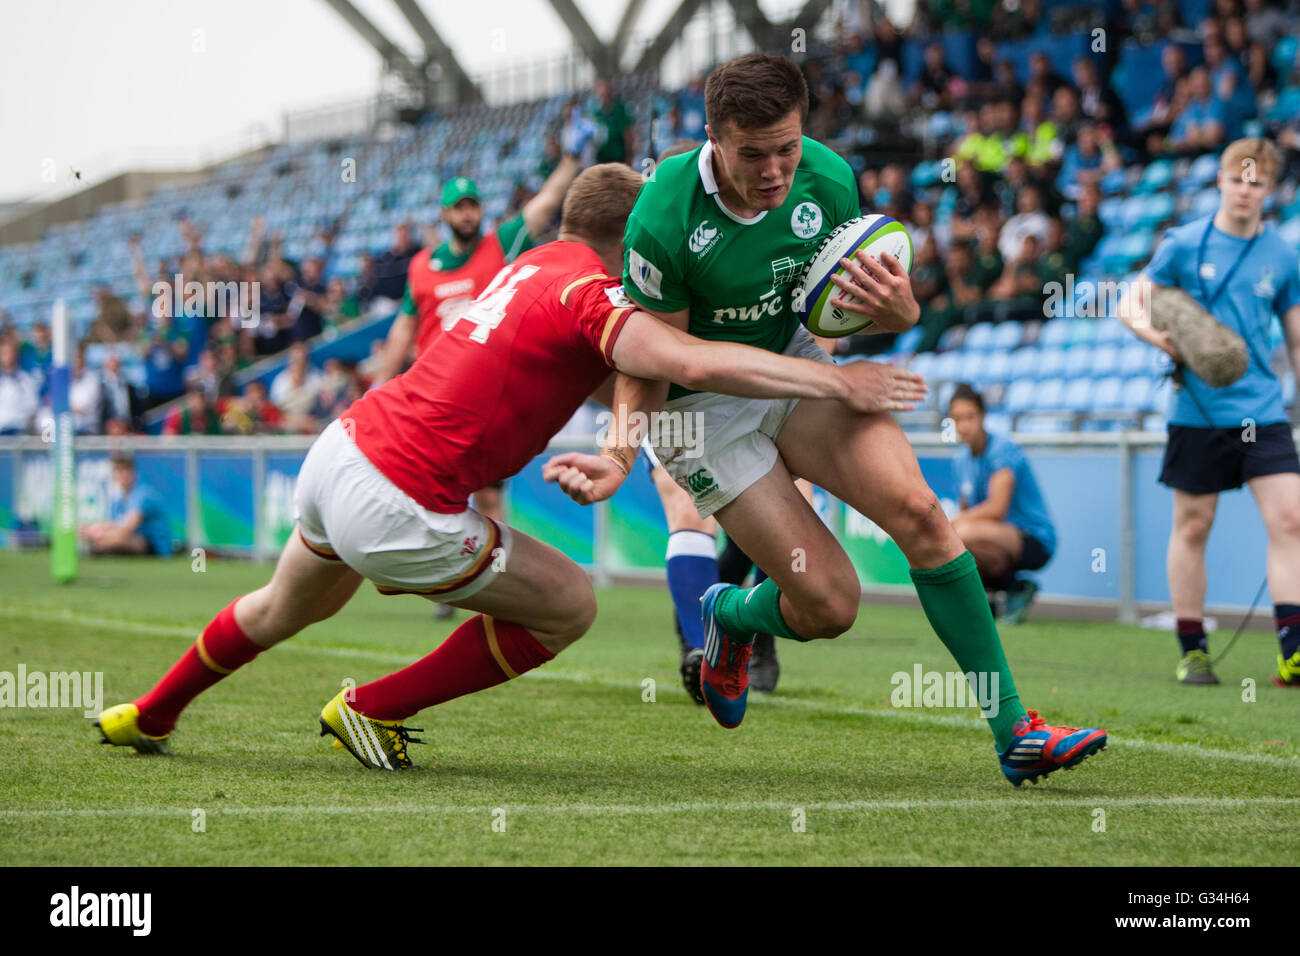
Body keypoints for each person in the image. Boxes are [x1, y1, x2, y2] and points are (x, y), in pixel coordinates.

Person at [93, 163, 923, 768]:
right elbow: (689, 362)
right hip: (398, 497)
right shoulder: (593, 291)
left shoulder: (524, 262)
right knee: (569, 605)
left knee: (277, 606)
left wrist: (625, 443)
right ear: (632, 239)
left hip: (342, 450)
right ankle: (368, 708)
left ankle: (152, 713)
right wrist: (832, 377)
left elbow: (611, 378)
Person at [564, 53, 1106, 786]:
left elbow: (864, 310)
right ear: (713, 140)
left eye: (787, 146)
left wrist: (900, 311)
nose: (775, 171)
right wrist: (622, 456)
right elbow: (654, 362)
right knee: (831, 603)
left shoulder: (827, 177)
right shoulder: (662, 212)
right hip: (701, 414)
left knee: (919, 512)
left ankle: (1015, 729)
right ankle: (733, 615)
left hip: (796, 367)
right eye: (753, 154)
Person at [372, 114, 595, 577]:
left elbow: (547, 201)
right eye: (459, 207)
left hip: (483, 392)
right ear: (445, 214)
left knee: (490, 492)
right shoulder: (422, 268)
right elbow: (402, 329)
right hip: (432, 393)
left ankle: (498, 575)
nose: (467, 213)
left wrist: (572, 158)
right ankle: (429, 570)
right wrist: (378, 384)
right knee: (426, 487)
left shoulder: (501, 245)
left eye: (473, 205)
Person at [1118, 138, 1300, 687]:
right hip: (1196, 411)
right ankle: (1192, 649)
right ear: (1221, 180)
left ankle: (1293, 650)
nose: (1246, 190)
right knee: (1193, 525)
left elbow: (1295, 340)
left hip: (1263, 410)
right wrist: (1159, 339)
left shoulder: (1283, 255)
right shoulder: (1183, 242)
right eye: (1238, 179)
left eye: (1257, 182)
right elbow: (1131, 302)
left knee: (1290, 519)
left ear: (1270, 191)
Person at [948, 384, 1057, 624]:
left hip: (1033, 538)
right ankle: (1012, 591)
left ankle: (1006, 592)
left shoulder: (1002, 449)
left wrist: (953, 521)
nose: (964, 425)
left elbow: (997, 508)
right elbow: (967, 509)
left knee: (959, 532)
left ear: (983, 416)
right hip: (994, 539)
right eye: (957, 418)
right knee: (952, 539)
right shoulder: (960, 460)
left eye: (970, 417)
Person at [81, 456, 173, 556]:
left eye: (126, 470)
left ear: (134, 473)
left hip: (155, 546)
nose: (123, 475)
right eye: (118, 471)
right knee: (108, 536)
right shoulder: (119, 500)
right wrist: (92, 530)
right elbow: (114, 524)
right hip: (134, 539)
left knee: (118, 539)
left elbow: (127, 528)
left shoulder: (142, 495)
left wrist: (101, 538)